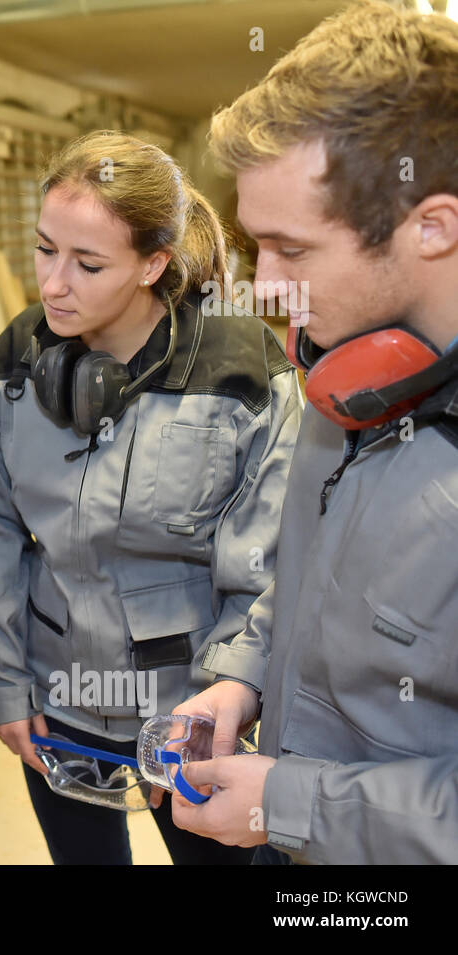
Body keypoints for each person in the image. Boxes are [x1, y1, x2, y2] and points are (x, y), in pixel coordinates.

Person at [0, 130, 303, 864]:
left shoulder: (244, 375)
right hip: (59, 704)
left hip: (193, 712)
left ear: (154, 262)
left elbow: (267, 572)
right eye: (45, 248)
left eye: (87, 264)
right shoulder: (14, 364)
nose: (53, 283)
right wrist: (6, 683)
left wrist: (214, 706)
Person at [170, 1, 458, 864]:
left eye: (292, 250)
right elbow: (313, 576)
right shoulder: (348, 374)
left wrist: (294, 802)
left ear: (433, 226)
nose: (265, 285)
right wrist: (244, 677)